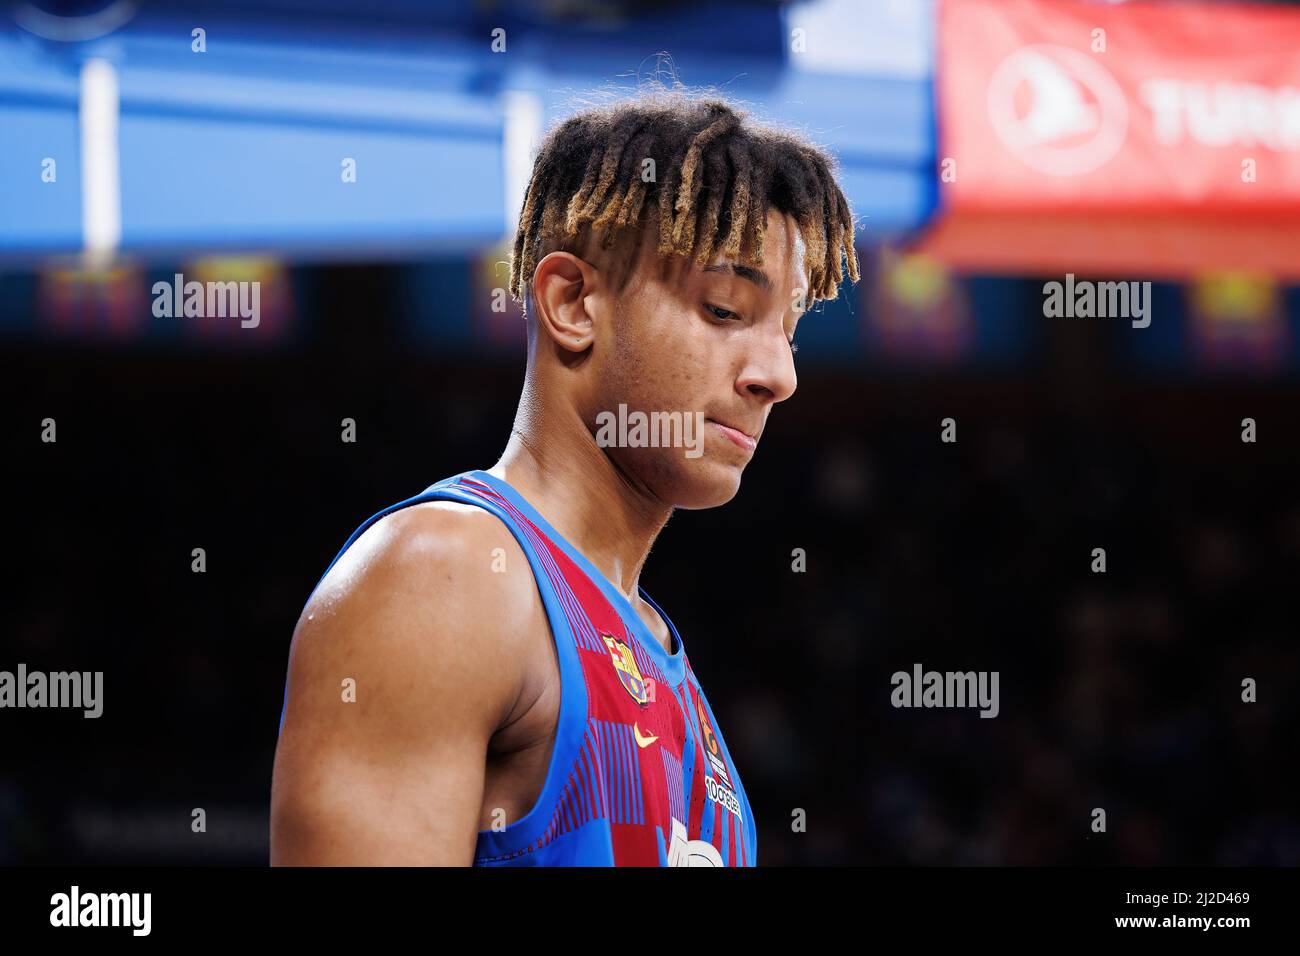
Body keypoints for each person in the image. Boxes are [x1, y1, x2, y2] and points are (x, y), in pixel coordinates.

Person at [270, 90, 859, 865]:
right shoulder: (444, 576)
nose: (777, 375)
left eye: (787, 331)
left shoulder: (653, 648)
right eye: (724, 310)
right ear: (573, 302)